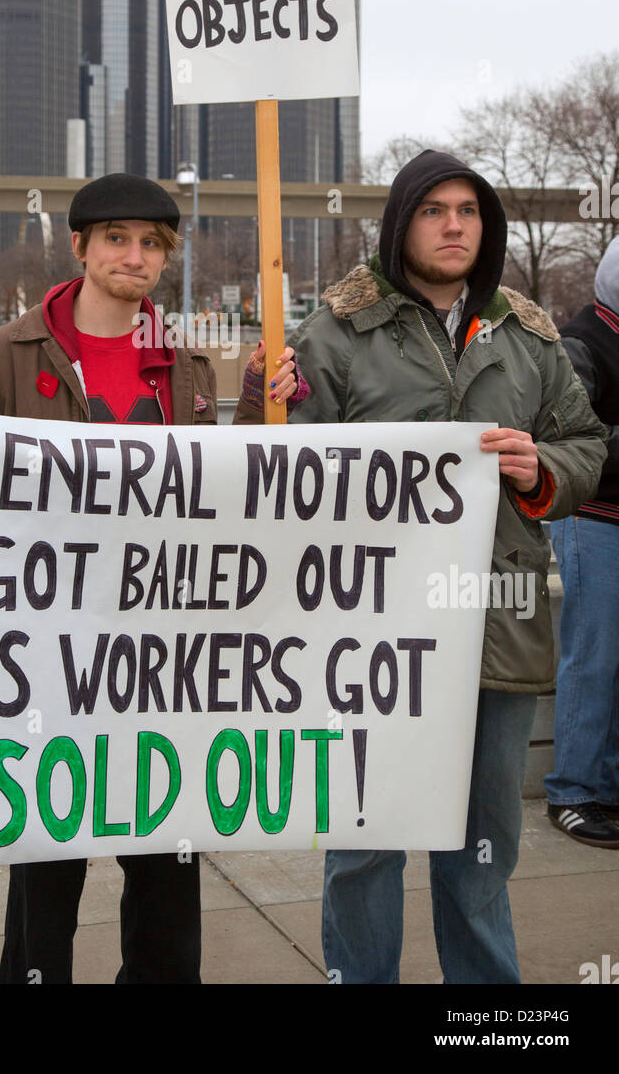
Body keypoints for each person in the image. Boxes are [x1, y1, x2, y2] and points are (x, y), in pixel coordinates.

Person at [0, 171, 295, 984]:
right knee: (45, 877)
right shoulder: (8, 355)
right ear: (81, 247)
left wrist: (262, 408)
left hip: (165, 665)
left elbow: (222, 496)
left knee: (168, 873)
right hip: (50, 663)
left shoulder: (187, 364)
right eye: (118, 239)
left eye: (152, 244)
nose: (136, 256)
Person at [238, 149, 607, 984]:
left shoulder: (528, 334)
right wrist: (257, 399)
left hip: (494, 627)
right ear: (401, 223)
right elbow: (273, 476)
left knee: (481, 854)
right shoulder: (334, 332)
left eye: (468, 211)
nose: (452, 225)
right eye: (434, 210)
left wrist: (541, 469)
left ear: (487, 226)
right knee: (364, 847)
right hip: (367, 638)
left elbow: (587, 444)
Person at [544, 236, 619, 847]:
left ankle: (609, 787)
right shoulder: (581, 342)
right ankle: (572, 791)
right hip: (589, 516)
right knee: (592, 658)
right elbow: (570, 435)